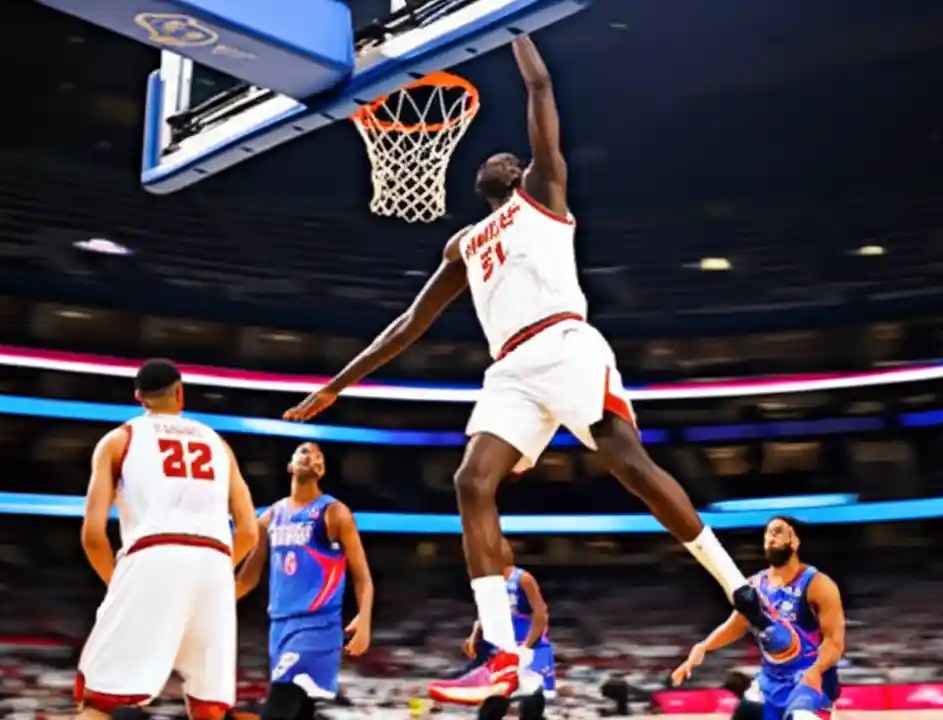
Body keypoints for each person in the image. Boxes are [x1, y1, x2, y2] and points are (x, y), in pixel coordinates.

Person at [283, 34, 759, 702]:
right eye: (497, 156)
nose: (501, 155)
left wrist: (513, 25)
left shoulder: (545, 193)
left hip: (564, 343)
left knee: (632, 469)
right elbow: (409, 324)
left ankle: (736, 585)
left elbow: (539, 89)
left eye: (508, 153)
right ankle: (502, 656)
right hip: (509, 369)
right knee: (470, 482)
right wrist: (337, 383)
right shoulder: (464, 242)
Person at [73, 359, 259, 720]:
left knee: (101, 702)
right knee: (209, 707)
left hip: (153, 556)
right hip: (217, 563)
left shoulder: (119, 440)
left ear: (139, 397)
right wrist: (219, 572)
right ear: (180, 392)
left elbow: (93, 536)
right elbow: (249, 531)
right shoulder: (218, 443)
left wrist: (120, 585)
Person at [236, 442, 375, 720]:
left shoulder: (334, 513)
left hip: (317, 627)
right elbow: (247, 579)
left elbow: (363, 577)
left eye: (320, 456)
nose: (314, 457)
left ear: (322, 471)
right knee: (299, 710)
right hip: (280, 626)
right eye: (305, 452)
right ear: (289, 466)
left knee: (280, 703)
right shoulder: (271, 517)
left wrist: (364, 620)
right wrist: (206, 604)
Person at [670, 517, 845, 720]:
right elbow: (737, 624)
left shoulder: (818, 584)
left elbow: (835, 643)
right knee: (745, 713)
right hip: (770, 681)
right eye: (767, 534)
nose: (771, 537)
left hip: (810, 679)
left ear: (795, 541)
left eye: (778, 532)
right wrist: (703, 647)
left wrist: (815, 672)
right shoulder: (755, 584)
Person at [430, 543, 551, 719]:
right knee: (496, 701)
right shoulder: (489, 584)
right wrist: (473, 636)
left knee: (531, 701)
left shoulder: (523, 579)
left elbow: (540, 615)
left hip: (526, 647)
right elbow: (484, 613)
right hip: (502, 649)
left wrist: (528, 645)